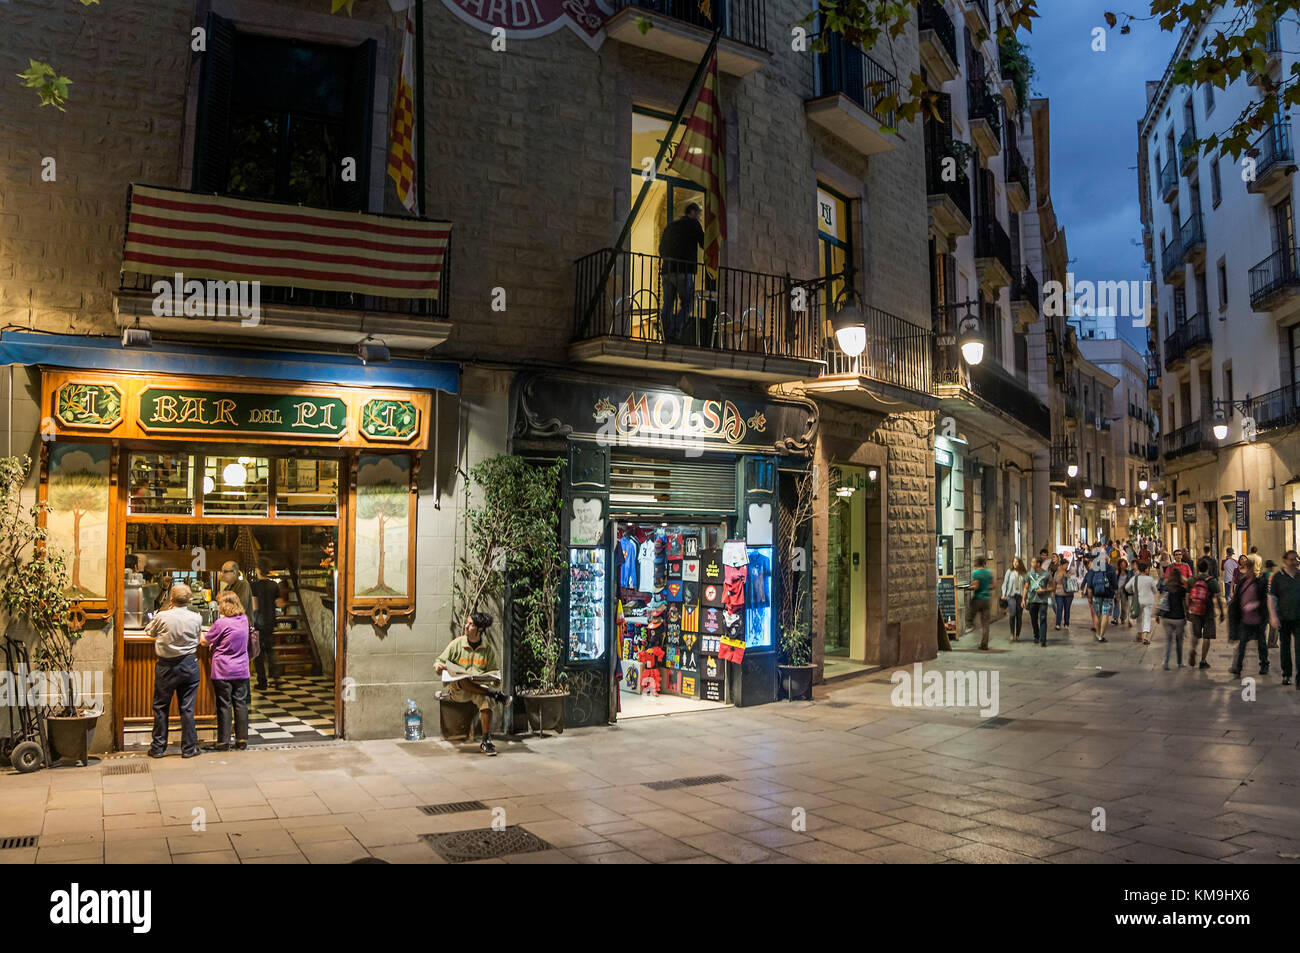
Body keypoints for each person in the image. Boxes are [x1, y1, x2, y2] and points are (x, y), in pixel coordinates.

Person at [435, 613, 511, 755]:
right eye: (467, 623)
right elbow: (439, 661)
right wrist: (439, 666)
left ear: (480, 630)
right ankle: (496, 695)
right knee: (462, 678)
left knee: (486, 702)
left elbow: (494, 671)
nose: (466, 626)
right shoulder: (457, 644)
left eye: (471, 624)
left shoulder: (487, 649)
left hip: (478, 692)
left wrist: (495, 680)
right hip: (458, 692)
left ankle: (486, 741)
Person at [144, 584, 203, 758]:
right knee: (187, 708)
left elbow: (149, 632)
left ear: (171, 600)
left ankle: (158, 748)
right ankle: (189, 748)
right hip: (189, 664)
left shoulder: (162, 616)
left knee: (161, 706)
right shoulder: (196, 617)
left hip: (167, 666)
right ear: (189, 600)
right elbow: (199, 637)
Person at [201, 591, 251, 751]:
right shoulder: (244, 619)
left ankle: (223, 742)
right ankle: (242, 739)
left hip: (223, 669)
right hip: (242, 669)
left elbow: (204, 641)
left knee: (224, 705)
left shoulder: (221, 623)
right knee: (240, 703)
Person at [657, 203, 704, 344]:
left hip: (667, 271)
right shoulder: (693, 224)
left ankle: (665, 334)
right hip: (683, 270)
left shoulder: (671, 226)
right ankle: (674, 331)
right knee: (688, 303)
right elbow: (704, 243)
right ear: (693, 212)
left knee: (668, 304)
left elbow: (661, 249)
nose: (699, 217)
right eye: (698, 214)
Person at [1229, 554, 1270, 678]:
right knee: (1242, 644)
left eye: (1250, 566)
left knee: (1261, 643)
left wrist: (1254, 605)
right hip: (1245, 619)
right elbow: (1237, 598)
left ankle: (1264, 664)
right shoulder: (1242, 582)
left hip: (1259, 619)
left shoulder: (1261, 581)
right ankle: (1238, 667)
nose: (1248, 568)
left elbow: (1264, 600)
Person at [1186, 557, 1225, 670]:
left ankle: (1193, 649)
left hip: (1195, 611)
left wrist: (1187, 610)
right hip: (1208, 612)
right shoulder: (1212, 581)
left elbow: (1187, 597)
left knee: (1195, 634)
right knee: (1206, 637)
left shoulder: (1192, 580)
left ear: (1197, 568)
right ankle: (1203, 660)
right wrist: (1222, 612)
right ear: (1208, 568)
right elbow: (1218, 598)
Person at [249, 559, 280, 691]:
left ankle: (262, 682)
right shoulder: (274, 585)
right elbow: (279, 603)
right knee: (270, 650)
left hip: (258, 623)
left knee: (258, 653)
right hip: (271, 622)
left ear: (258, 570)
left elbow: (254, 606)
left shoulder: (254, 586)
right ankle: (276, 678)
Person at [1270, 550, 1300, 687]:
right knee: (1285, 648)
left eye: (1296, 559)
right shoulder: (1278, 577)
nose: (1294, 562)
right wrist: (1273, 616)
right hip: (1284, 617)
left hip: (1298, 617)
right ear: (1285, 560)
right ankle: (1286, 674)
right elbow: (1271, 598)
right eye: (1292, 559)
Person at [1156, 567, 1188, 669]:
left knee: (1168, 641)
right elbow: (1185, 604)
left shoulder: (1166, 587)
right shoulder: (1182, 589)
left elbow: (1161, 601)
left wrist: (1157, 614)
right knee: (1179, 641)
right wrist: (1187, 615)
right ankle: (1180, 663)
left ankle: (1165, 662)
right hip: (1179, 618)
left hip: (1167, 618)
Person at [1086, 554, 1118, 643]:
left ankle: (1098, 633)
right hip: (1108, 594)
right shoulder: (1111, 569)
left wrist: (1089, 596)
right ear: (1108, 560)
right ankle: (1101, 636)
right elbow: (1115, 585)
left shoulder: (1094, 569)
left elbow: (1089, 585)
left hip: (1097, 594)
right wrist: (1116, 596)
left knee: (1097, 614)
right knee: (1106, 615)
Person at [1024, 556, 1054, 647]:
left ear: (1038, 564)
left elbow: (1052, 587)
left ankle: (1043, 639)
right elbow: (1026, 587)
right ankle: (1036, 635)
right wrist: (1023, 599)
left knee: (1043, 618)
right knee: (1033, 619)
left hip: (1043, 600)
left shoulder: (1046, 574)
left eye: (1033, 562)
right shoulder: (1029, 574)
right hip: (1032, 600)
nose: (1031, 564)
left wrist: (1044, 590)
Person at [965, 556, 994, 650]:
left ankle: (970, 625)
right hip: (986, 599)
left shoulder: (976, 573)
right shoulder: (989, 572)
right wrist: (986, 588)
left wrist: (968, 588)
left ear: (977, 563)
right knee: (986, 624)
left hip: (978, 599)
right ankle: (984, 644)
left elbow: (976, 586)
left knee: (970, 615)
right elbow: (993, 585)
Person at [1128, 562, 1159, 645]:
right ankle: (1145, 636)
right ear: (1146, 569)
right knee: (1147, 618)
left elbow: (1127, 587)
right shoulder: (1150, 579)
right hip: (1148, 600)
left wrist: (1132, 592)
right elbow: (1155, 590)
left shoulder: (1135, 578)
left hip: (1138, 600)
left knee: (1139, 618)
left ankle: (1140, 634)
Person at [1002, 557, 1027, 642]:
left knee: (1019, 616)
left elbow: (1026, 586)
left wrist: (1025, 598)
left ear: (1020, 563)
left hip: (1020, 596)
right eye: (1014, 562)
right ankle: (1012, 633)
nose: (1015, 563)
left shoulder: (1023, 573)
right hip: (1011, 596)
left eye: (1017, 562)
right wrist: (1003, 594)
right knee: (1012, 614)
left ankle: (1017, 635)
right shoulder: (1009, 572)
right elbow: (1005, 583)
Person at [1054, 556, 1074, 630]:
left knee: (1067, 609)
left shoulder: (1070, 571)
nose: (1066, 566)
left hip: (1069, 594)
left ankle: (1066, 624)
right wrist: (1061, 575)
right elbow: (1055, 581)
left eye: (1067, 565)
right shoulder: (1057, 573)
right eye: (1065, 565)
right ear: (1061, 565)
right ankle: (1058, 624)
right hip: (1059, 593)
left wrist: (1067, 575)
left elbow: (1073, 580)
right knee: (1059, 608)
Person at [1113, 558, 1134, 628]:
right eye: (1121, 565)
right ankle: (1115, 618)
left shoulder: (1129, 573)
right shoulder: (1117, 572)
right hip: (1117, 590)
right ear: (1119, 565)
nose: (1123, 566)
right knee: (1116, 604)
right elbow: (1114, 581)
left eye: (1124, 564)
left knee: (1124, 605)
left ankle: (1123, 618)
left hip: (1125, 591)